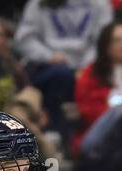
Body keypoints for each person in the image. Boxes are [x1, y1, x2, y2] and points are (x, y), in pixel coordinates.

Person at [14, 0, 112, 141]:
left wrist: (87, 66)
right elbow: (24, 39)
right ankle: (53, 134)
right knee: (61, 75)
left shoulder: (100, 4)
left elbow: (104, 40)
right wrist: (48, 56)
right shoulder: (38, 4)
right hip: (47, 65)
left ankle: (95, 137)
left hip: (90, 66)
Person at [73, 21, 122, 151]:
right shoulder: (90, 75)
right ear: (106, 45)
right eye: (118, 40)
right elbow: (87, 112)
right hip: (100, 134)